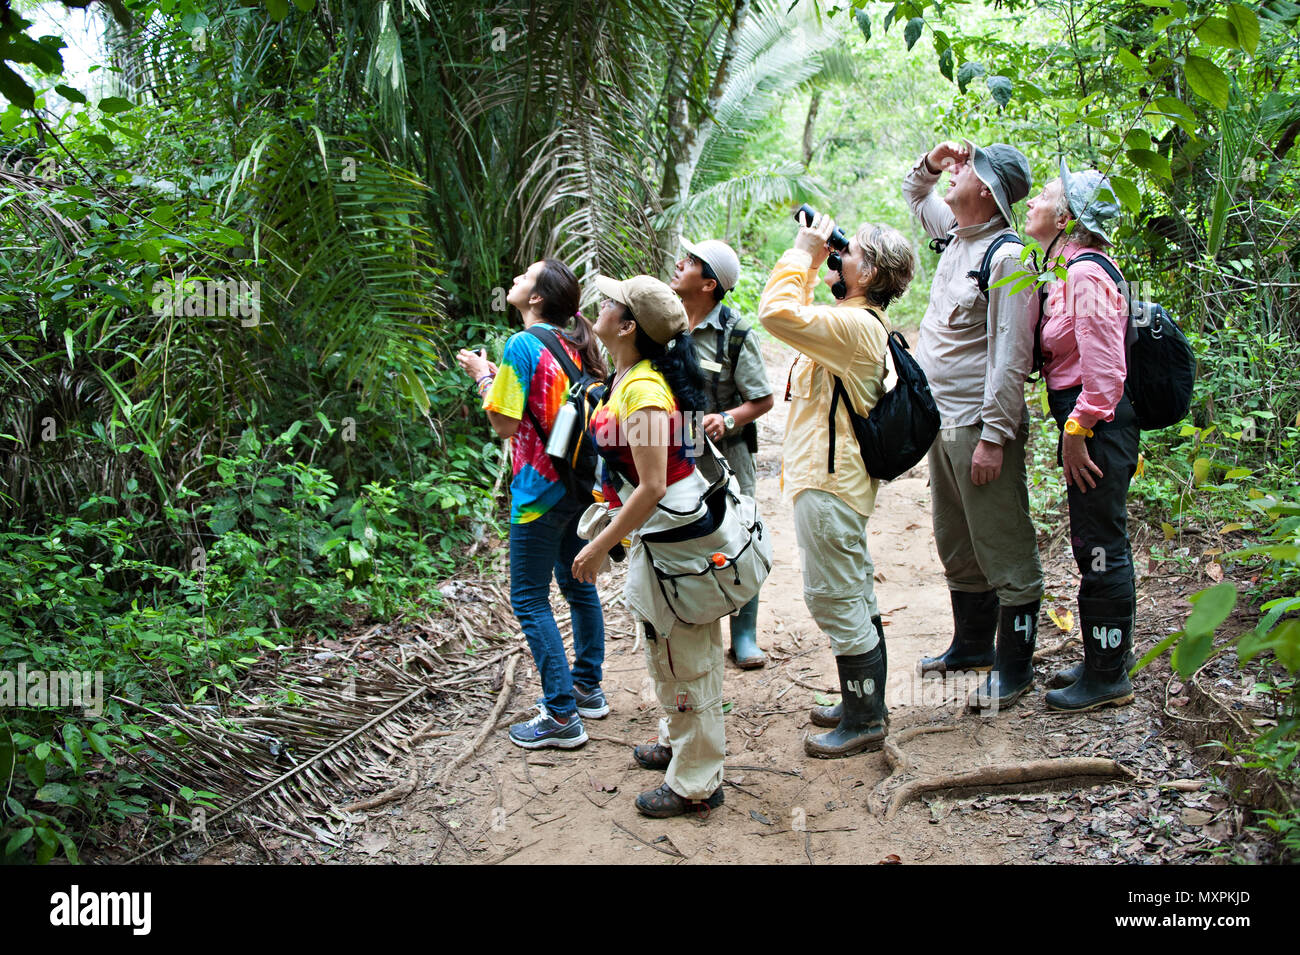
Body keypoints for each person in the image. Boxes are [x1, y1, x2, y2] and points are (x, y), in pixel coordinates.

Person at [757, 213, 917, 757]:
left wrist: (803, 250)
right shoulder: (853, 320)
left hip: (830, 484)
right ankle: (861, 702)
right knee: (853, 590)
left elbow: (776, 314)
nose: (837, 253)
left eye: (849, 253)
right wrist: (816, 260)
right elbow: (797, 312)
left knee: (835, 596)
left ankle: (867, 718)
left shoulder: (854, 327)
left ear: (868, 273)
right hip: (831, 480)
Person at [569, 275, 725, 818]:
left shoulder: (644, 390)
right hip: (659, 535)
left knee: (687, 653)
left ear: (629, 326)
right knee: (667, 644)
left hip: (674, 535)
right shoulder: (626, 374)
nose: (601, 307)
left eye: (611, 304)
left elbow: (655, 484)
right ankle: (677, 740)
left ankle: (697, 782)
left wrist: (598, 547)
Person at [903, 138, 1044, 712]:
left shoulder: (1007, 258)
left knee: (1003, 545)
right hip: (942, 420)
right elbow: (916, 193)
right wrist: (934, 162)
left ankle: (1015, 669)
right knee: (955, 540)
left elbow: (1012, 355)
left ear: (986, 189)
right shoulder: (958, 238)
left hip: (977, 426)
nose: (955, 172)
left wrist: (994, 435)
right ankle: (970, 647)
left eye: (967, 168)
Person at [456, 258, 608, 749]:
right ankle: (587, 688)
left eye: (524, 277)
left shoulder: (522, 344)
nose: (515, 280)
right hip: (579, 488)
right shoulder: (578, 345)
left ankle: (561, 715)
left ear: (537, 298)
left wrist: (483, 374)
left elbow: (504, 423)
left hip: (539, 490)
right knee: (577, 582)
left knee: (527, 596)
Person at [1024, 161, 1137, 711]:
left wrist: (1077, 430)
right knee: (1095, 540)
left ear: (1067, 216)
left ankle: (1109, 674)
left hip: (1097, 423)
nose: (1034, 200)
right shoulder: (1070, 270)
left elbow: (1107, 373)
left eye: (1045, 193)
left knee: (1099, 545)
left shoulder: (1087, 274)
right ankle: (1102, 656)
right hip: (1092, 420)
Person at [671, 238, 775, 668]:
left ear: (710, 283)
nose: (680, 264)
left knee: (739, 536)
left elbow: (763, 399)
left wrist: (728, 418)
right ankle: (696, 626)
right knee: (684, 535)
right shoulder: (667, 324)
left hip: (729, 456)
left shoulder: (736, 332)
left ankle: (744, 635)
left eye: (691, 262)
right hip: (678, 453)